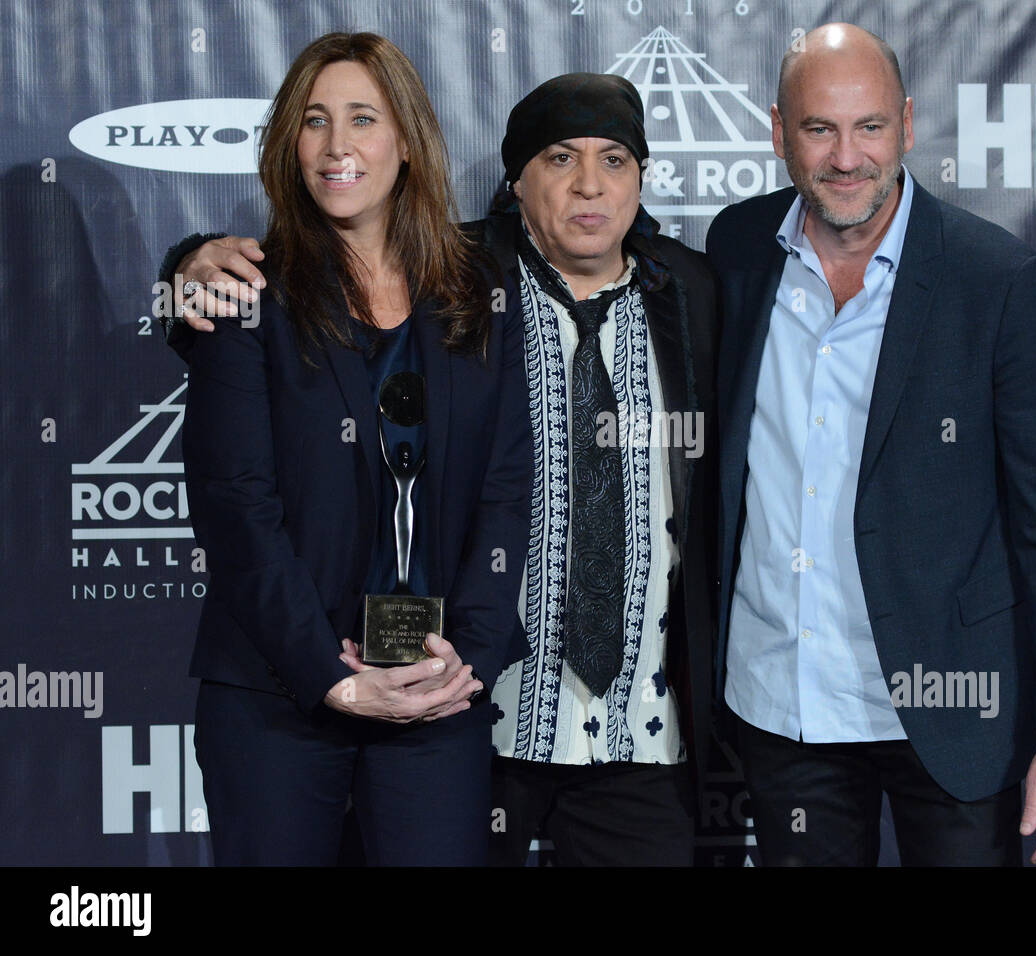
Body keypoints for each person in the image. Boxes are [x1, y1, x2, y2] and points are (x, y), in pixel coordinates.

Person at [160, 72, 717, 867]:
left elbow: (507, 488)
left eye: (615, 160)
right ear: (514, 181)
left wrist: (470, 660)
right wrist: (186, 266)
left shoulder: (689, 290)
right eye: (560, 158)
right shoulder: (461, 275)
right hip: (440, 713)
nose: (590, 184)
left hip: (593, 718)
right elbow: (235, 494)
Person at [707, 24, 1036, 866]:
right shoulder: (737, 249)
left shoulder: (997, 281)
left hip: (953, 703)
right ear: (779, 132)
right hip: (784, 704)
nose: (847, 157)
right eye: (820, 129)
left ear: (909, 126)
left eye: (870, 127)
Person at [171, 32, 531, 865]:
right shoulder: (245, 292)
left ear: (404, 140)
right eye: (314, 121)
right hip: (275, 701)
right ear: (287, 143)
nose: (337, 147)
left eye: (363, 119)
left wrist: (465, 661)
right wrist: (331, 677)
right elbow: (237, 511)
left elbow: (508, 490)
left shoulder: (475, 293)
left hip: (436, 698)